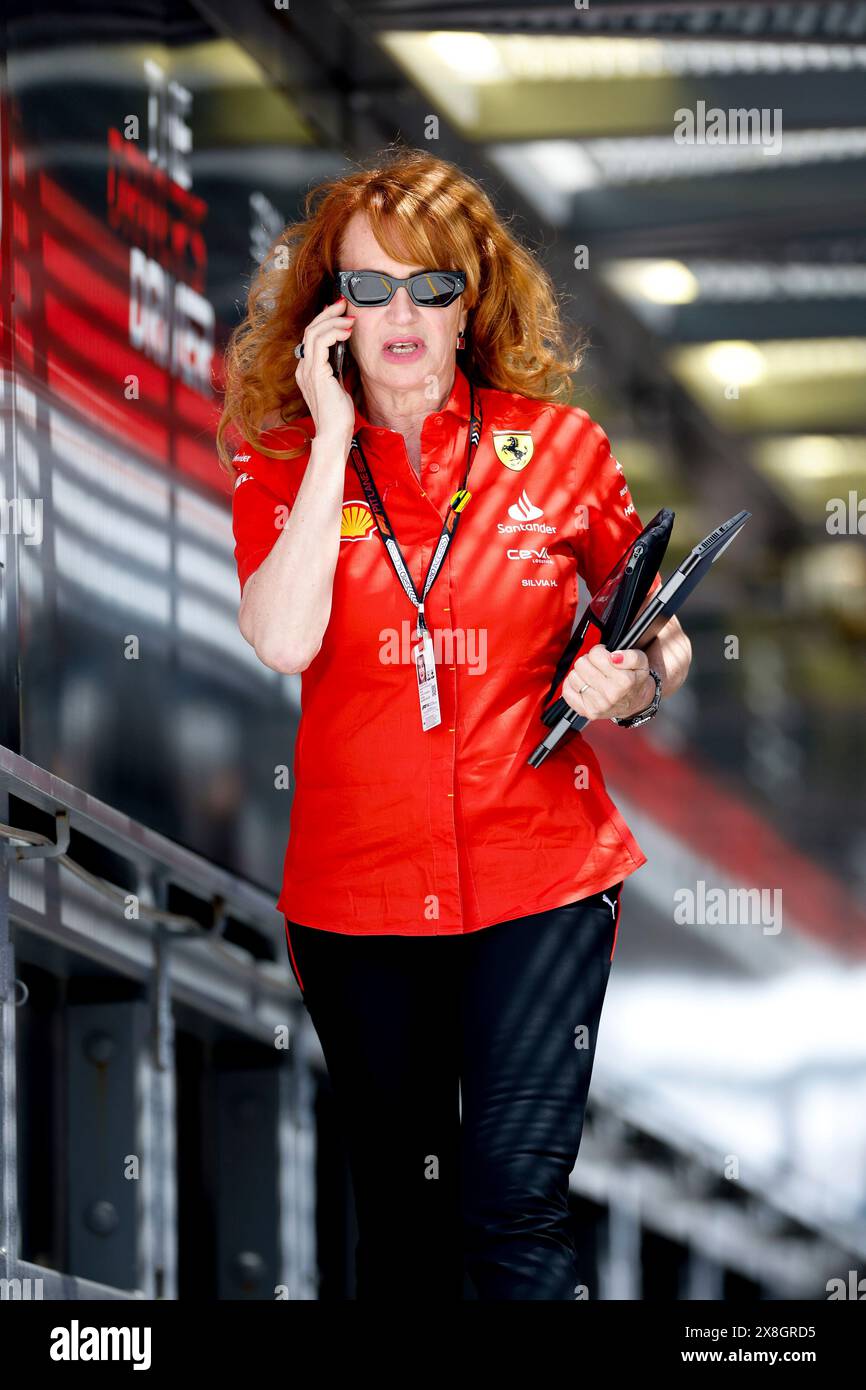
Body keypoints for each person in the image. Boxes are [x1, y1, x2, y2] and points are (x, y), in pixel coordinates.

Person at [217, 150, 692, 1300]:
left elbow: (657, 630)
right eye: (368, 287)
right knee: (408, 1222)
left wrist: (631, 680)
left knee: (514, 1198)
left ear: (467, 300)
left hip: (540, 872)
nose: (401, 314)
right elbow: (281, 638)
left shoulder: (559, 450)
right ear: (331, 308)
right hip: (359, 891)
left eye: (430, 286)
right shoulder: (284, 461)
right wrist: (332, 434)